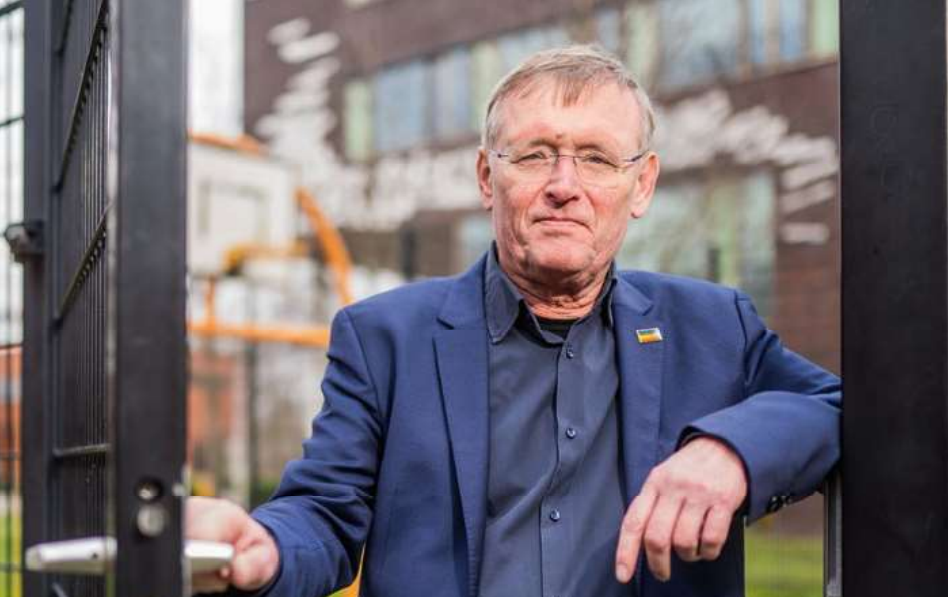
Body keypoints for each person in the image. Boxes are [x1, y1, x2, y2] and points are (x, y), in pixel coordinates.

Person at [188, 45, 841, 597]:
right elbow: (323, 514)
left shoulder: (714, 326)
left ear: (641, 185)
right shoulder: (385, 338)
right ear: (486, 177)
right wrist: (265, 547)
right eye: (534, 155)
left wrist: (730, 451)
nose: (564, 184)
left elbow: (837, 408)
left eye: (597, 158)